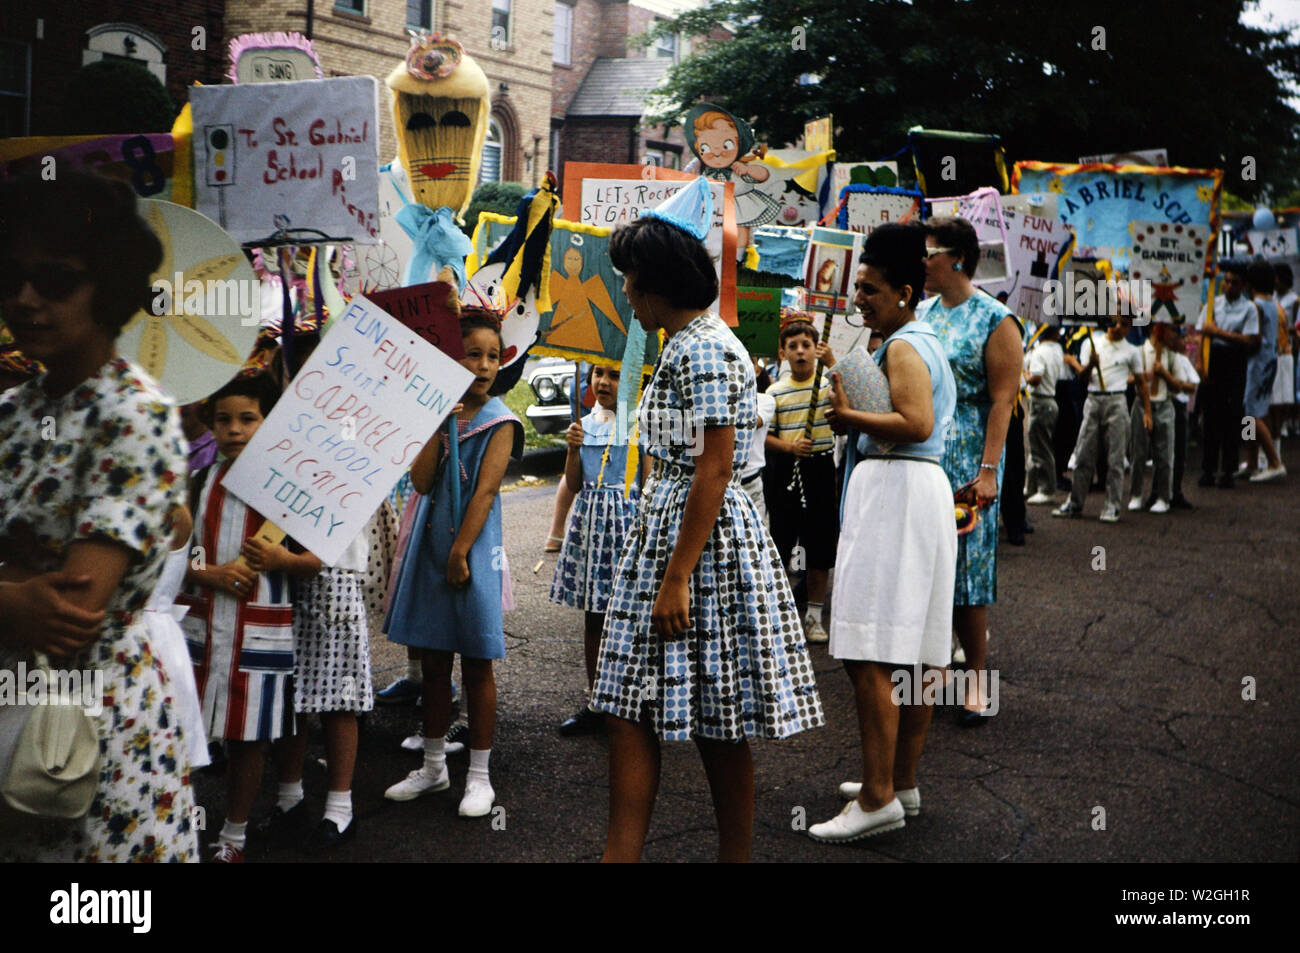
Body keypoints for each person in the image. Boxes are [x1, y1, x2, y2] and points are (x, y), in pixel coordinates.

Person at [593, 201, 824, 863]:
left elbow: (715, 469)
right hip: (678, 535)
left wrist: (675, 579)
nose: (628, 294)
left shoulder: (706, 349)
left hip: (700, 546)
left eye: (631, 281)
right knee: (635, 704)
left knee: (711, 718)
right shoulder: (695, 343)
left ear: (657, 284)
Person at [0, 170, 198, 862]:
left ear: (108, 288)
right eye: (14, 275)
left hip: (84, 732)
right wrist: (14, 591)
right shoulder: (15, 411)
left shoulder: (133, 414)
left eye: (55, 281)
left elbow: (68, 613)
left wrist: (25, 586)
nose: (25, 299)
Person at [811, 223, 957, 842]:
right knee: (914, 651)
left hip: (897, 489)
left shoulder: (903, 346)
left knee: (868, 650)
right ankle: (900, 782)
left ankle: (876, 799)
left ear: (903, 290)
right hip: (918, 493)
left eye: (869, 289)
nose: (859, 299)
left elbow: (915, 421)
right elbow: (906, 413)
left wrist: (846, 417)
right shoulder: (914, 339)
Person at [383, 308, 524, 818]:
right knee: (435, 661)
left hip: (472, 551)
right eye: (472, 354)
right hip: (429, 546)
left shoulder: (500, 420)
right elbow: (421, 483)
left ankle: (480, 775)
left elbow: (485, 492)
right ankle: (434, 764)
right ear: (449, 356)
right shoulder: (438, 414)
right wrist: (433, 417)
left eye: (493, 355)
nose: (484, 365)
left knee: (478, 662)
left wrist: (462, 552)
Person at [183, 371, 324, 862]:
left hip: (260, 633)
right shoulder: (199, 480)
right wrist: (212, 575)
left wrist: (283, 562)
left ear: (269, 421)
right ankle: (178, 825)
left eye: (248, 418)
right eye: (223, 420)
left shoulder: (287, 484)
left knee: (248, 738)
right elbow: (179, 556)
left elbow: (314, 560)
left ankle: (234, 837)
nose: (235, 430)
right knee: (189, 730)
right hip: (201, 630)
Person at [260, 333, 375, 850]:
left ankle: (339, 806)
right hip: (282, 578)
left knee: (339, 697)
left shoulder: (355, 430)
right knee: (287, 696)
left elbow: (348, 499)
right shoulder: (280, 427)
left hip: (332, 577)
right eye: (300, 371)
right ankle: (288, 799)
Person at [917, 217, 1022, 724]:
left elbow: (1004, 400)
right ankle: (931, 675)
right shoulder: (922, 313)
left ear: (957, 257)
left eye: (929, 251)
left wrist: (989, 469)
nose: (922, 262)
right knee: (928, 567)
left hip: (970, 458)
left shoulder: (995, 318)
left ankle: (977, 681)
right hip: (924, 455)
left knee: (970, 572)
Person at [549, 363, 639, 736]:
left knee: (631, 616)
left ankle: (633, 699)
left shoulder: (637, 424)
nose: (603, 381)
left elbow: (645, 483)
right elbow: (574, 482)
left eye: (615, 374)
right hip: (591, 527)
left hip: (627, 523)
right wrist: (572, 449)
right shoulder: (584, 424)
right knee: (594, 616)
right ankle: (596, 701)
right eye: (598, 373)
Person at [763, 310, 838, 643]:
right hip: (786, 473)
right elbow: (764, 436)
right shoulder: (775, 393)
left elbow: (846, 415)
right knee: (783, 541)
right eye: (792, 346)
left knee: (818, 544)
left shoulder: (826, 386)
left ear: (816, 348)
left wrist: (834, 364)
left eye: (806, 344)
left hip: (820, 470)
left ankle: (814, 616)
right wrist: (790, 447)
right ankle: (781, 614)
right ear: (782, 353)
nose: (800, 351)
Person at [1053, 312, 1151, 521]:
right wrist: (1089, 364)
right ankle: (1075, 502)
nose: (1117, 327)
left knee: (1116, 458)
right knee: (1083, 454)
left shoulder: (1132, 351)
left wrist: (1147, 411)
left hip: (1116, 401)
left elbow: (1141, 383)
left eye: (1124, 324)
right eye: (1114, 322)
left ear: (1130, 328)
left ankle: (1112, 505)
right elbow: (1083, 378)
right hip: (1093, 399)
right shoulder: (1093, 343)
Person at [1196, 261, 1260, 488]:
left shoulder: (1250, 308)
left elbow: (1251, 340)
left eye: (1234, 282)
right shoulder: (1214, 303)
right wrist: (1200, 363)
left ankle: (1230, 469)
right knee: (1210, 418)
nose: (1229, 286)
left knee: (1235, 418)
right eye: (1227, 281)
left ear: (1242, 285)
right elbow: (1202, 333)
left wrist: (1219, 333)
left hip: (1235, 362)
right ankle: (1208, 469)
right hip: (1214, 360)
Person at [1239, 260, 1285, 482]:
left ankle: (1274, 461)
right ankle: (1253, 461)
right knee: (1256, 409)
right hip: (1270, 360)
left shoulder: (1255, 305)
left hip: (1258, 361)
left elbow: (1253, 337)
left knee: (1251, 412)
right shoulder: (1272, 303)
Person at [1128, 318, 1179, 513]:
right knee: (1138, 453)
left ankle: (1164, 496)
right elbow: (1129, 377)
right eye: (1170, 330)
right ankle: (1136, 494)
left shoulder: (1170, 355)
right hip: (1142, 404)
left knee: (1164, 455)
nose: (1174, 335)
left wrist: (1164, 374)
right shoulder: (1140, 351)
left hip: (1164, 404)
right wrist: (1142, 377)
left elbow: (1179, 385)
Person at [1024, 324, 1065, 504]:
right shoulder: (1057, 349)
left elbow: (1036, 378)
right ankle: (1032, 485)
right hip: (1049, 400)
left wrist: (1025, 374)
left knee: (1041, 448)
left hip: (1041, 400)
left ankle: (1046, 488)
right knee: (1037, 447)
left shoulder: (1039, 352)